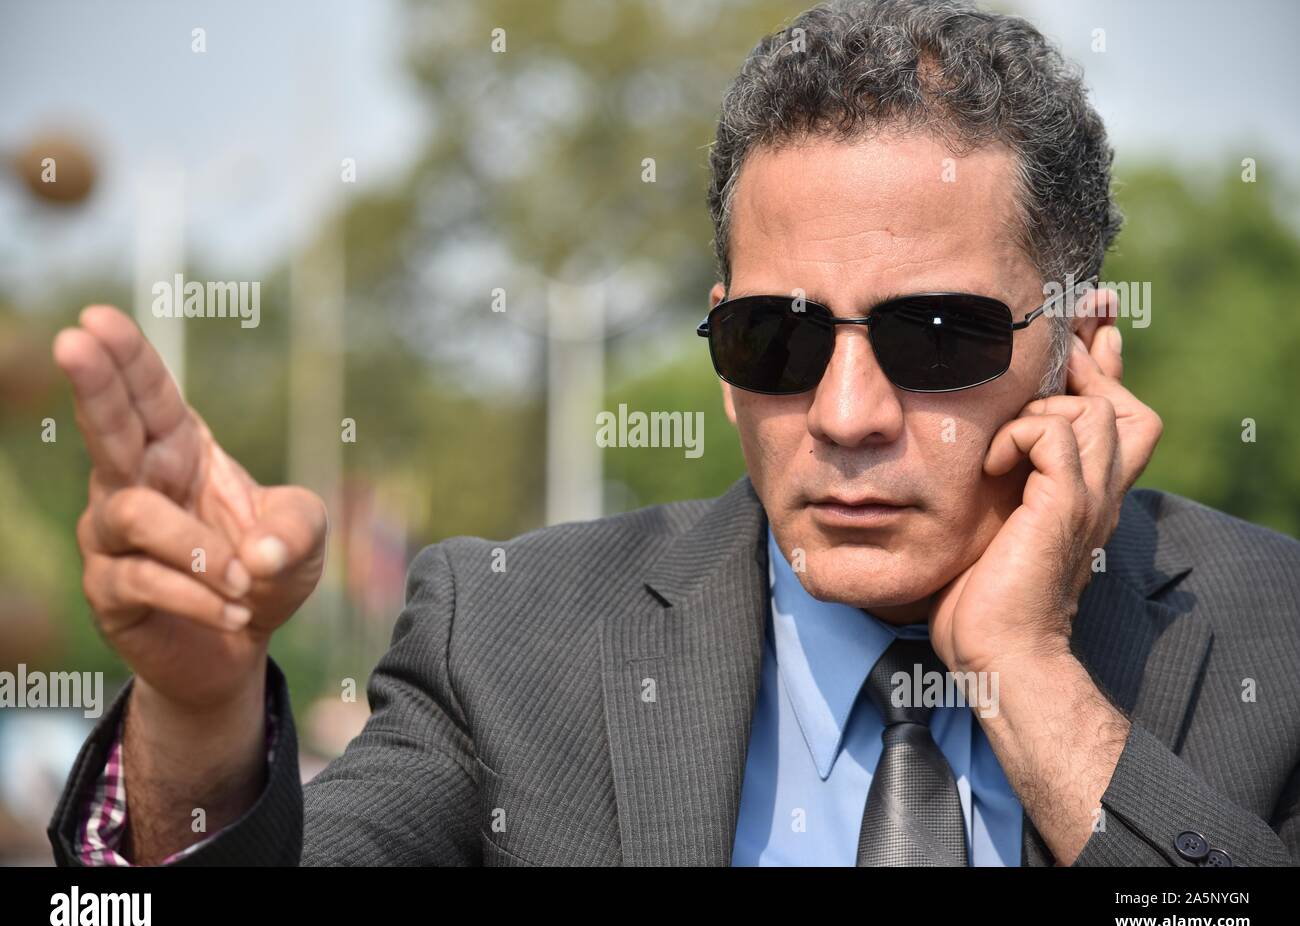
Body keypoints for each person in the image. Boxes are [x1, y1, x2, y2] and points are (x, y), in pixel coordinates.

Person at [47, 0, 1300, 867]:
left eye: (933, 337)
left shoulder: (1273, 642)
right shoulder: (511, 641)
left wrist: (1028, 680)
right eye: (780, 341)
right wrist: (198, 718)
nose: (846, 415)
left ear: (1080, 350)